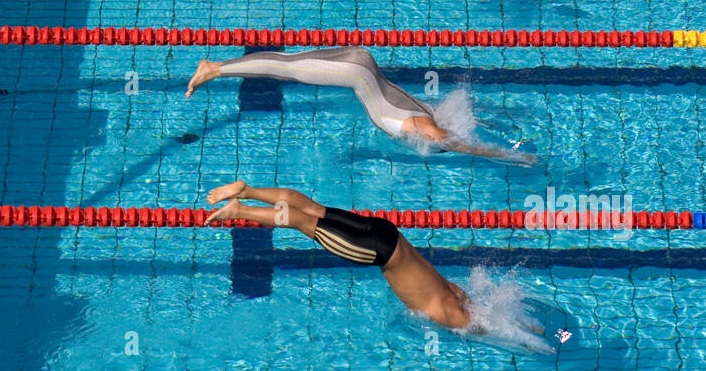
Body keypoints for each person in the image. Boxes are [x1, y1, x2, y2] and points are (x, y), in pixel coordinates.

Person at [185, 46, 537, 166]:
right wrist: (511, 156)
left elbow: (458, 123)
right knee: (287, 68)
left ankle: (218, 68)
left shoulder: (426, 114)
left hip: (363, 63)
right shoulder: (426, 128)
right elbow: (461, 145)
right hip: (357, 72)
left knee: (290, 63)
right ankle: (215, 69)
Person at [206, 178, 473, 328]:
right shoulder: (450, 314)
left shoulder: (453, 292)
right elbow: (478, 328)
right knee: (304, 222)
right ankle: (240, 210)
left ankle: (249, 190)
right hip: (379, 253)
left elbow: (468, 303)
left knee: (313, 209)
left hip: (386, 233)